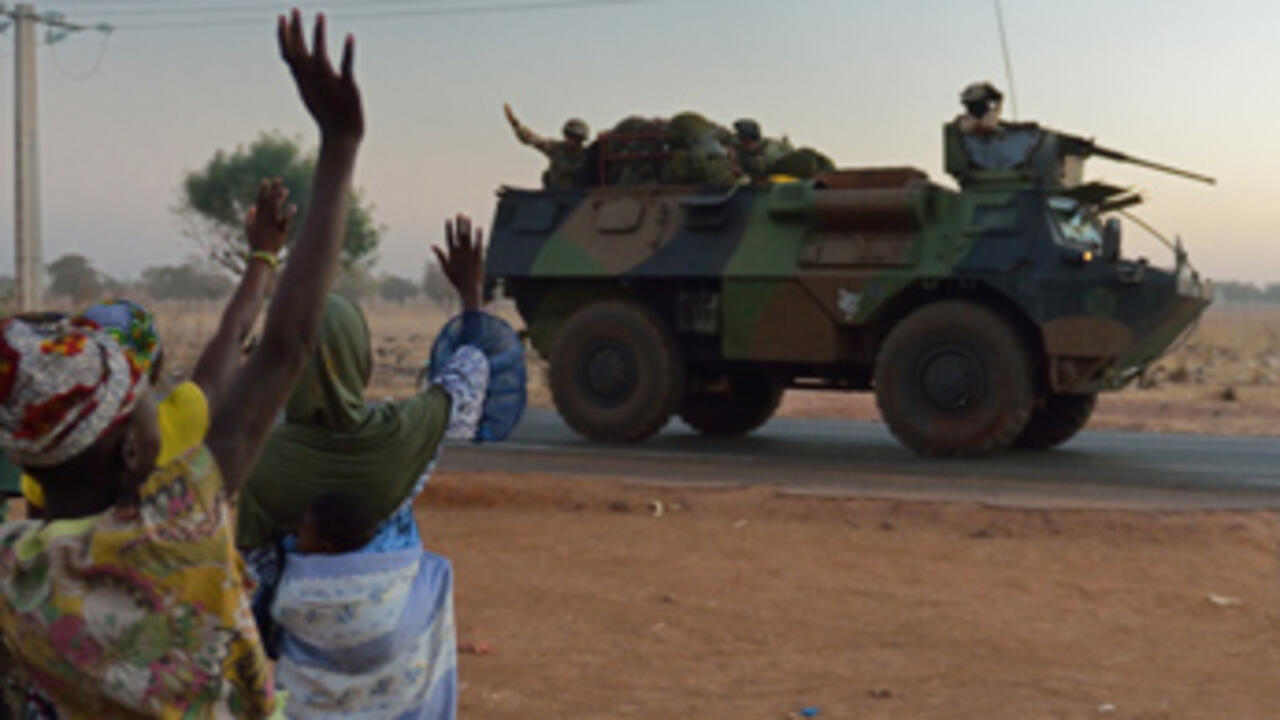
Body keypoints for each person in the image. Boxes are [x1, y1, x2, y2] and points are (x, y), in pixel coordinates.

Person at [0, 9, 364, 716]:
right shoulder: (183, 516)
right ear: (134, 449)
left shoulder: (16, 569)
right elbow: (283, 348)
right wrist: (341, 145)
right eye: (143, 396)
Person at [236, 214, 513, 719]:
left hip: (310, 663)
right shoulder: (402, 431)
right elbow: (470, 372)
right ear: (359, 355)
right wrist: (471, 295)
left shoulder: (263, 461)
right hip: (401, 648)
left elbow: (253, 576)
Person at [17, 180, 294, 518]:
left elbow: (36, 533)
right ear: (154, 367)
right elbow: (234, 331)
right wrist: (263, 255)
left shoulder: (54, 443)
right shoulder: (179, 418)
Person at [504, 102, 590, 188]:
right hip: (553, 195)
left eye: (576, 138)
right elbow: (532, 139)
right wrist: (515, 124)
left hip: (578, 196)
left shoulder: (588, 155)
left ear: (581, 140)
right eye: (569, 136)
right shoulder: (556, 148)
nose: (571, 141)